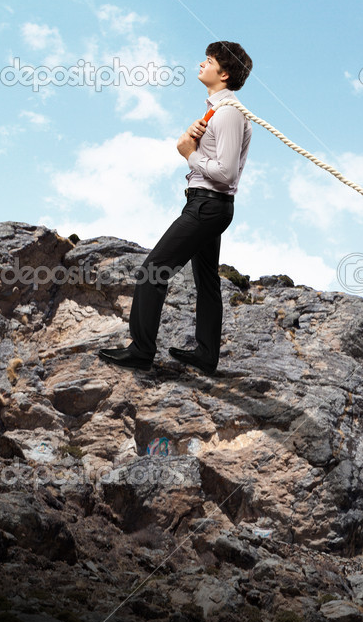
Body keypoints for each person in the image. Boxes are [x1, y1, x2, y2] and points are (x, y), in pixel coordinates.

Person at [99, 41, 253, 374]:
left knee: (151, 272)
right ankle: (207, 355)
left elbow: (225, 174)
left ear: (223, 73)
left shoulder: (227, 114)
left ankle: (141, 351)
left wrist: (188, 153)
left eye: (209, 61)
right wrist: (196, 143)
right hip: (213, 206)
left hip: (207, 206)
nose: (201, 63)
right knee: (208, 280)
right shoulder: (221, 112)